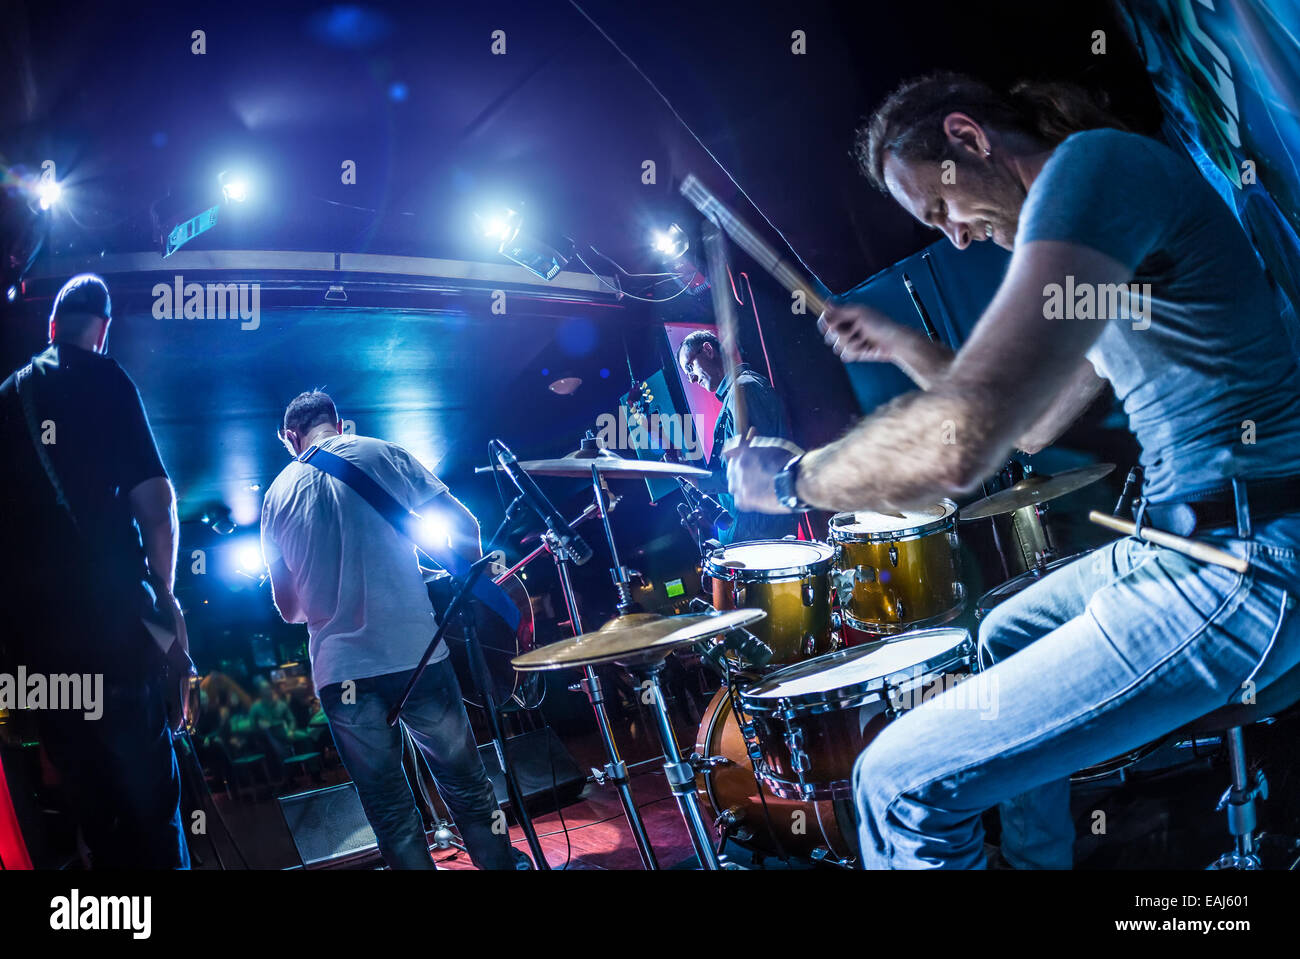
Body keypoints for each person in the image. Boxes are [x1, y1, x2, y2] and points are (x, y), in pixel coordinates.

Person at [725, 73, 1300, 869]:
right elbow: (1029, 423)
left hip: (1245, 560)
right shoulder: (1108, 239)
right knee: (1000, 631)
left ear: (968, 138)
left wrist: (795, 480)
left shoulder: (1092, 170)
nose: (954, 237)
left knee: (895, 782)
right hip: (1188, 539)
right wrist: (899, 345)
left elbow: (964, 443)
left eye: (941, 208)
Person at [260, 389, 526, 869]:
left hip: (341, 674)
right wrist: (461, 586)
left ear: (290, 437)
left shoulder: (277, 495)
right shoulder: (382, 452)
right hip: (416, 654)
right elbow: (463, 525)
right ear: (340, 424)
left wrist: (326, 597)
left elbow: (288, 608)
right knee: (466, 786)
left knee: (388, 809)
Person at [0, 273, 192, 868]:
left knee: (99, 826)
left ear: (50, 324)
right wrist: (166, 599)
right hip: (114, 637)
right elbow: (156, 508)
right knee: (152, 816)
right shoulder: (103, 376)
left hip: (42, 661)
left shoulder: (8, 398)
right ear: (101, 330)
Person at [675, 329, 796, 543]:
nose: (692, 379)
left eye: (690, 367)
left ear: (708, 350)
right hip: (752, 535)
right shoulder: (736, 395)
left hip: (762, 537)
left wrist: (697, 480)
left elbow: (753, 473)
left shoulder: (744, 391)